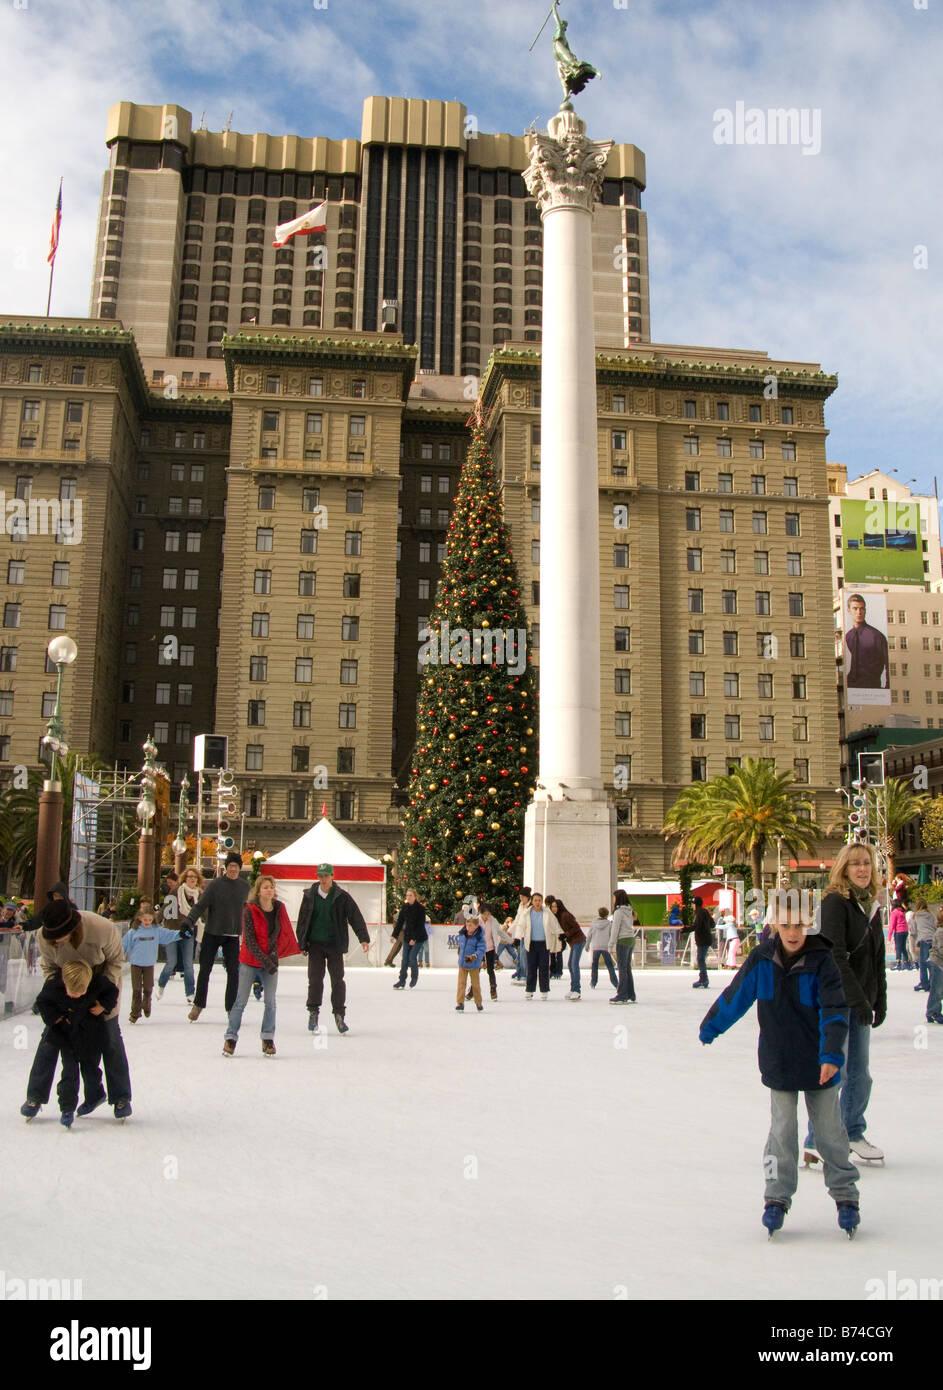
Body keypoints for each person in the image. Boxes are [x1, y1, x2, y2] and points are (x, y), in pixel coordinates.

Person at [699, 899, 861, 1237]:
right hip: (779, 1060)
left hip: (820, 1065)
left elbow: (834, 1010)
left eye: (798, 925)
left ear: (808, 924)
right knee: (782, 1133)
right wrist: (712, 1026)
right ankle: (776, 1197)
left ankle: (846, 1196)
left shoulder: (822, 961)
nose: (791, 932)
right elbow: (736, 996)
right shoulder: (762, 959)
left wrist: (831, 1056)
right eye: (785, 925)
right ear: (774, 924)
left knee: (830, 1134)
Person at [804, 841, 887, 1165]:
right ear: (843, 869)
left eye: (867, 863)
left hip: (861, 999)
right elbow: (834, 955)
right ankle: (816, 1139)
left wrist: (879, 1000)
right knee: (833, 1068)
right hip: (836, 1001)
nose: (863, 869)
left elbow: (877, 957)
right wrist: (856, 1001)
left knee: (859, 1074)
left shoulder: (871, 905)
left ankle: (852, 1131)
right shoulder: (835, 903)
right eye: (855, 864)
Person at [37, 897, 132, 1120]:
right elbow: (49, 968)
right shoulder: (45, 937)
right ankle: (36, 1095)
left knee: (110, 1039)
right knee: (51, 1040)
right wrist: (59, 1001)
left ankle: (121, 1098)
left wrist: (102, 1000)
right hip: (67, 989)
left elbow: (116, 962)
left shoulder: (102, 928)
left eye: (60, 936)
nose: (56, 941)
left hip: (102, 987)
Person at [21, 960, 119, 1127]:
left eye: (81, 992)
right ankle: (67, 1108)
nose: (76, 996)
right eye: (72, 992)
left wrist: (103, 1006)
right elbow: (43, 1002)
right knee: (69, 1071)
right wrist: (55, 1018)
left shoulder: (97, 983)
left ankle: (95, 1095)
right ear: (64, 983)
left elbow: (112, 993)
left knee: (91, 1069)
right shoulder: (54, 987)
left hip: (91, 1034)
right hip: (67, 1035)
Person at [223, 875, 300, 1057]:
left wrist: (273, 957)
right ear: (258, 891)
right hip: (250, 960)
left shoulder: (279, 908)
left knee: (270, 1002)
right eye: (265, 887)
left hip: (270, 959)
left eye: (271, 887)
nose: (269, 890)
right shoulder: (249, 910)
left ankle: (267, 1038)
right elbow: (249, 941)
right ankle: (231, 1037)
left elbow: (278, 934)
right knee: (240, 1001)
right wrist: (266, 961)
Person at [296, 862, 370, 1034]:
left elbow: (355, 916)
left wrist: (363, 938)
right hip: (315, 944)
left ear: (332, 877)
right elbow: (303, 920)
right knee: (315, 979)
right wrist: (301, 942)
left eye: (326, 876)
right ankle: (313, 1012)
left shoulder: (341, 896)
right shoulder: (309, 895)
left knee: (337, 980)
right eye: (320, 876)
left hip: (334, 944)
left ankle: (339, 1014)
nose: (323, 880)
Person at [182, 852, 249, 1021]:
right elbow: (200, 905)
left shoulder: (244, 887)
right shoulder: (215, 885)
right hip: (212, 932)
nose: (233, 869)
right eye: (230, 866)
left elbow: (251, 910)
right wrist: (188, 922)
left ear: (240, 868)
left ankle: (230, 1008)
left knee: (234, 972)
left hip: (232, 935)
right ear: (226, 868)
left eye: (236, 866)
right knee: (205, 969)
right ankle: (198, 1004)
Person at [122, 907, 189, 1024]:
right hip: (136, 964)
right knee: (137, 989)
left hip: (149, 964)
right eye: (145, 920)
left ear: (153, 919)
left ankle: (147, 1004)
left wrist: (182, 934)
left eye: (149, 919)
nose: (147, 922)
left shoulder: (156, 930)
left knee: (148, 988)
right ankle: (135, 1013)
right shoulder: (133, 932)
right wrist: (118, 957)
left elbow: (169, 935)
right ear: (139, 919)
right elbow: (123, 945)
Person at [157, 866, 202, 1001]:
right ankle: (161, 985)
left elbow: (203, 912)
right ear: (185, 879)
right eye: (189, 877)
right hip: (172, 931)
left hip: (188, 932)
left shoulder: (198, 894)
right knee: (172, 962)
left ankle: (190, 992)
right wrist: (155, 922)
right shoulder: (177, 891)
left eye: (194, 877)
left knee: (188, 964)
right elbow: (165, 908)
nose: (192, 879)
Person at [844, 593, 889, 690]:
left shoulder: (876, 636)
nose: (859, 612)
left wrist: (887, 689)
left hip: (871, 687)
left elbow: (888, 664)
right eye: (855, 608)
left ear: (865, 611)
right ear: (849, 611)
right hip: (851, 687)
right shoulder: (848, 636)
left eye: (862, 608)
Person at [549, 897, 586, 1000]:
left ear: (560, 907)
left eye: (555, 906)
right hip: (574, 942)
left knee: (573, 964)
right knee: (571, 964)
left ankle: (577, 990)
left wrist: (566, 935)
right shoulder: (558, 917)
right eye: (552, 907)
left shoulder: (565, 916)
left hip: (578, 941)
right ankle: (573, 988)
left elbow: (576, 927)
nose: (554, 909)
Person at [393, 888, 428, 990]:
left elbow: (420, 925)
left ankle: (414, 977)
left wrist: (414, 938)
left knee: (412, 958)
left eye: (410, 895)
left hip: (419, 937)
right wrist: (394, 935)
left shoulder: (420, 909)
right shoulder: (405, 907)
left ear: (415, 896)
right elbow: (400, 922)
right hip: (408, 936)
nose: (408, 897)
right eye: (407, 895)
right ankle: (402, 980)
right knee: (404, 959)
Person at [608, 889, 638, 1004]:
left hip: (623, 941)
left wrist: (610, 945)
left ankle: (622, 995)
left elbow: (615, 930)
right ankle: (631, 994)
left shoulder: (618, 912)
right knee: (627, 968)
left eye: (614, 898)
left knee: (622, 969)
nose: (613, 900)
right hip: (630, 940)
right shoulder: (629, 910)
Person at [455, 914, 486, 1012]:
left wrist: (474, 956)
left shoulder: (479, 937)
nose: (468, 927)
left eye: (470, 925)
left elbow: (481, 949)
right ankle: (460, 1003)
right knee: (461, 984)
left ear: (476, 926)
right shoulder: (463, 934)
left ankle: (478, 1003)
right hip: (463, 964)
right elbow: (461, 945)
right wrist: (460, 953)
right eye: (467, 925)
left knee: (475, 985)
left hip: (474, 965)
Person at [585, 907, 618, 990]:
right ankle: (615, 983)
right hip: (605, 947)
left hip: (596, 947)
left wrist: (587, 945)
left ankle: (593, 982)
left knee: (594, 965)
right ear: (607, 915)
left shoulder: (594, 923)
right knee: (609, 965)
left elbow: (589, 935)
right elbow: (611, 936)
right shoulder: (609, 924)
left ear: (599, 914)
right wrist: (612, 946)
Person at [909, 897, 936, 994]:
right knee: (932, 962)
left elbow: (913, 930)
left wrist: (915, 943)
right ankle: (933, 983)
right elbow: (936, 925)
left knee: (923, 963)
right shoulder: (931, 915)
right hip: (933, 940)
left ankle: (924, 983)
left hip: (923, 941)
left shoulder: (915, 916)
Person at [506, 887, 532, 985]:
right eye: (520, 897)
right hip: (520, 934)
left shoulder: (530, 907)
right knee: (520, 955)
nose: (521, 899)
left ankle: (524, 976)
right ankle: (520, 974)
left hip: (527, 934)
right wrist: (510, 930)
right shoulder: (521, 905)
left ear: (527, 897)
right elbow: (517, 919)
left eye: (522, 897)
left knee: (524, 955)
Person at [690, 895, 714, 988]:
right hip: (704, 939)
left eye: (693, 904)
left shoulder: (699, 913)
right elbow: (712, 924)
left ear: (696, 904)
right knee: (700, 959)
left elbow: (698, 926)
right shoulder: (703, 912)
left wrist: (687, 929)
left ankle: (704, 979)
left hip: (703, 940)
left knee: (700, 959)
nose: (692, 906)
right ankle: (703, 979)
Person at [926, 907, 943, 1025]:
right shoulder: (940, 931)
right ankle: (933, 1011)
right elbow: (941, 949)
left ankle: (933, 1011)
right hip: (937, 963)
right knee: (937, 989)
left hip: (940, 963)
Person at [889, 898, 911, 970]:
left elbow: (892, 924)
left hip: (899, 931)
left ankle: (898, 963)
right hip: (905, 931)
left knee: (898, 947)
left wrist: (889, 936)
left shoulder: (894, 912)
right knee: (903, 947)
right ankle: (906, 962)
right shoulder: (902, 911)